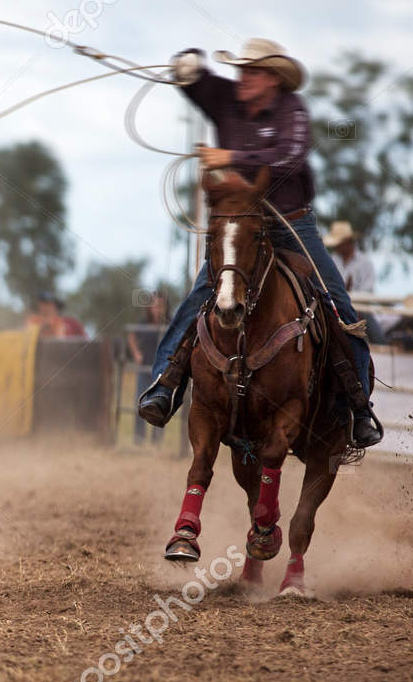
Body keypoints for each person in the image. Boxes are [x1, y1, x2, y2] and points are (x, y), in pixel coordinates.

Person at [137, 38, 382, 448]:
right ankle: (165, 384)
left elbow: (289, 156)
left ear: (273, 78)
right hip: (240, 224)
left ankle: (358, 406)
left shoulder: (292, 111)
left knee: (338, 303)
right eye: (242, 70)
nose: (243, 78)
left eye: (252, 72)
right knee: (201, 297)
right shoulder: (226, 98)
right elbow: (196, 79)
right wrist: (187, 66)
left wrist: (228, 156)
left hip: (291, 223)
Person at [126, 290, 170, 445]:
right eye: (154, 305)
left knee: (159, 404)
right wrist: (137, 354)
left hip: (161, 372)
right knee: (141, 403)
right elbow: (131, 336)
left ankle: (156, 440)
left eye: (160, 305)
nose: (157, 308)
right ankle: (139, 438)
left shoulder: (169, 324)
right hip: (144, 369)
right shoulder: (143, 323)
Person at [326, 221, 376, 294]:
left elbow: (368, 288)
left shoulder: (365, 262)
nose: (336, 246)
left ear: (348, 242)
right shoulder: (331, 260)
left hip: (359, 304)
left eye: (339, 243)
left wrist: (349, 294)